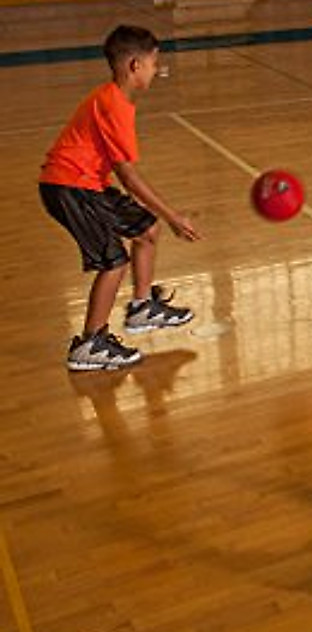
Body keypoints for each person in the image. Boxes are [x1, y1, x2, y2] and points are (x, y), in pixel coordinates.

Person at [39, 25, 200, 372]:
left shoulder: (114, 100)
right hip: (68, 187)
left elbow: (119, 172)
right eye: (153, 63)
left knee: (146, 229)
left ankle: (142, 307)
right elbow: (128, 175)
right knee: (113, 262)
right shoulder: (114, 106)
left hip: (85, 184)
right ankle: (89, 343)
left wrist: (157, 215)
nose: (157, 70)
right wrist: (175, 217)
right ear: (134, 66)